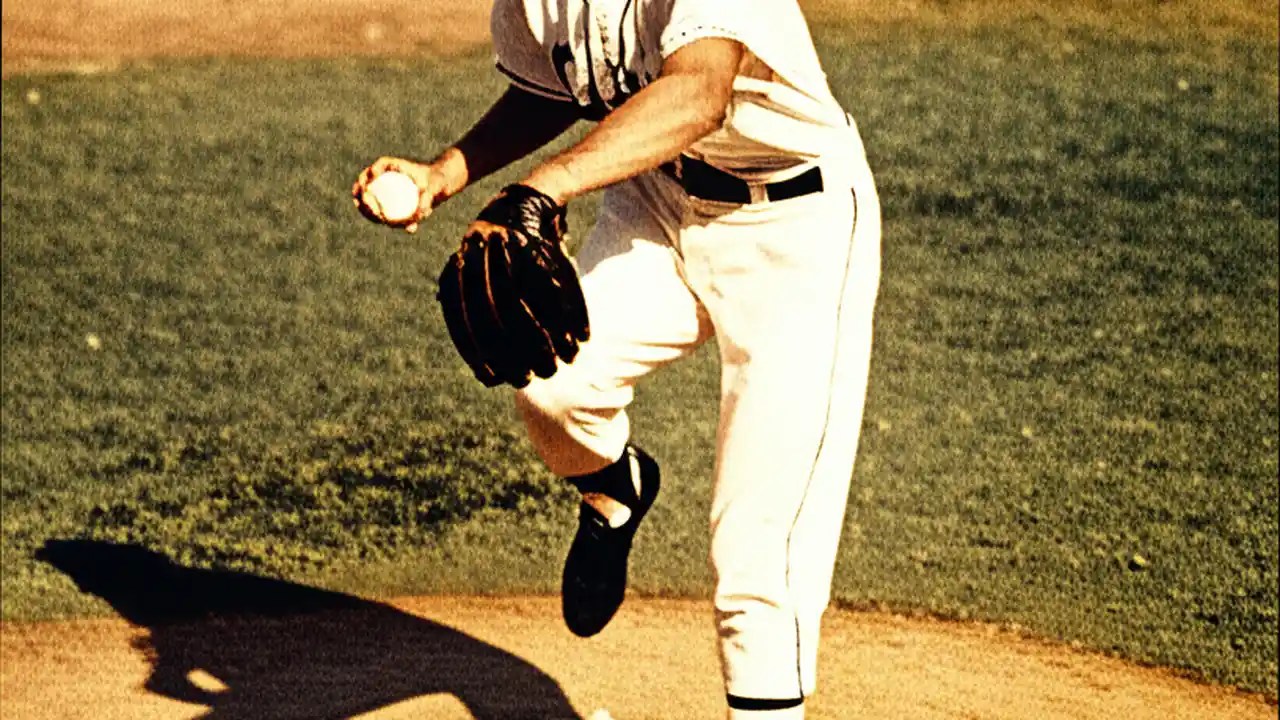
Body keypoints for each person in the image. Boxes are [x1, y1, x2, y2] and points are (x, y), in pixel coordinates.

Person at [352, 0, 881, 716]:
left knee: (758, 554)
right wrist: (443, 173)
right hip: (658, 204)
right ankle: (615, 490)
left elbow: (699, 92)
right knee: (555, 385)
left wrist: (543, 186)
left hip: (796, 230)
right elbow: (554, 87)